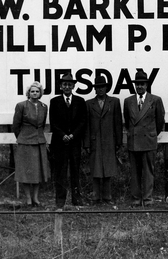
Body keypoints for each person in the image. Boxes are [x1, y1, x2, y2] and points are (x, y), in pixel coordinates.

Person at [123, 68, 165, 207]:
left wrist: (151, 134)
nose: (140, 86)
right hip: (134, 141)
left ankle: (147, 199)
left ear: (146, 85)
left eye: (142, 84)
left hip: (148, 141)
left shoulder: (155, 100)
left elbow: (160, 121)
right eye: (137, 84)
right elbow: (128, 121)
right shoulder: (128, 101)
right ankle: (136, 198)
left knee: (148, 171)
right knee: (134, 172)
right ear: (135, 85)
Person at [48, 72, 87, 209]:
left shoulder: (80, 101)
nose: (67, 87)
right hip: (60, 143)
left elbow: (83, 121)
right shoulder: (54, 101)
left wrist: (73, 135)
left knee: (75, 170)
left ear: (73, 86)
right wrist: (62, 135)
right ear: (61, 86)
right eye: (64, 84)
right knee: (60, 172)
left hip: (74, 142)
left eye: (69, 84)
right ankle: (60, 200)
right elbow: (53, 122)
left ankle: (76, 199)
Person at [84, 75, 123, 206]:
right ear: (95, 89)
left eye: (102, 87)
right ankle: (95, 196)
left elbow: (118, 123)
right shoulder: (89, 104)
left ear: (106, 88)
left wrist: (118, 142)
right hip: (95, 141)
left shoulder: (114, 102)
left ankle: (107, 196)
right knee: (96, 169)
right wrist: (87, 143)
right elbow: (87, 125)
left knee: (108, 168)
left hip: (109, 141)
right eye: (98, 87)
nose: (100, 89)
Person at [11, 81, 49, 207]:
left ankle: (35, 198)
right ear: (28, 93)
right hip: (25, 142)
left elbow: (42, 125)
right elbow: (16, 125)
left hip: (39, 142)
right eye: (32, 91)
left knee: (38, 171)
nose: (35, 93)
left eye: (37, 91)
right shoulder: (21, 105)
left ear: (40, 93)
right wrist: (22, 137)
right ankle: (28, 198)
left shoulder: (44, 106)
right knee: (25, 172)